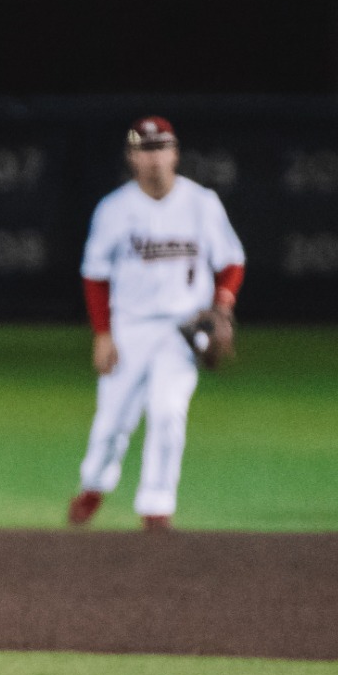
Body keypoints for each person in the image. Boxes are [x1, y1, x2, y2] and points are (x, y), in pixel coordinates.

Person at [67, 116, 246, 531]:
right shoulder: (114, 209)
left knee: (168, 412)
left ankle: (156, 506)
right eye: (144, 150)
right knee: (112, 421)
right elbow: (95, 275)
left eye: (161, 148)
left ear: (175, 153)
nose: (154, 158)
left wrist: (222, 302)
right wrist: (102, 334)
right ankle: (94, 486)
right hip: (129, 329)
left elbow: (232, 261)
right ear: (132, 157)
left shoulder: (202, 203)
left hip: (183, 330)